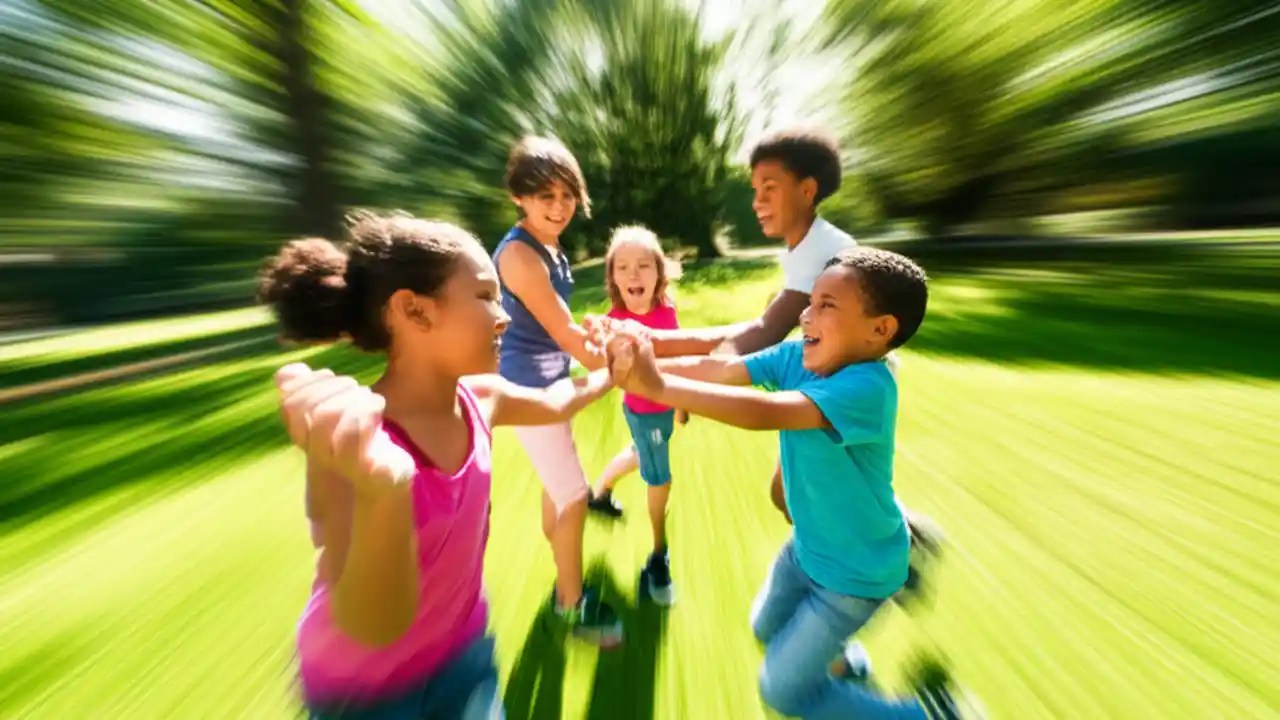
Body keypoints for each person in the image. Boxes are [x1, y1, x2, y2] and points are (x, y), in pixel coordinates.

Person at [258, 212, 615, 718]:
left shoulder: (483, 399)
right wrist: (386, 491)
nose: (504, 314)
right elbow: (375, 624)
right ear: (414, 311)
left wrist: (610, 372)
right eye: (485, 295)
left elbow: (556, 402)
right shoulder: (353, 445)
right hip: (364, 691)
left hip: (464, 652)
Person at [601, 247, 975, 720]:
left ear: (880, 330)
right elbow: (718, 370)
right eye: (811, 300)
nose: (806, 313)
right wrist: (635, 361)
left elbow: (768, 412)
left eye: (826, 305)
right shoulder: (797, 355)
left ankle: (930, 716)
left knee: (782, 693)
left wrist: (655, 386)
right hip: (807, 550)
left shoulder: (868, 388)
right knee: (765, 627)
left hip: (854, 577)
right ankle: (840, 661)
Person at [492, 136, 622, 645]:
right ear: (518, 198)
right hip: (530, 390)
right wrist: (622, 369)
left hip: (551, 379)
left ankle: (562, 573)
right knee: (572, 496)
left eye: (567, 194)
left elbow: (564, 328)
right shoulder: (520, 255)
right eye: (545, 195)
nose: (559, 206)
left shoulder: (550, 245)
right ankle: (570, 603)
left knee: (558, 486)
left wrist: (602, 340)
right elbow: (563, 331)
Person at [585, 226, 687, 606]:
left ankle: (598, 493)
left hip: (661, 410)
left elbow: (675, 361)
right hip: (643, 412)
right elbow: (600, 360)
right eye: (623, 267)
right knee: (659, 476)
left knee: (640, 453)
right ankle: (659, 555)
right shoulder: (613, 323)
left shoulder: (667, 311)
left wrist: (681, 402)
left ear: (659, 272)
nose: (633, 274)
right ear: (612, 277)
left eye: (644, 265)